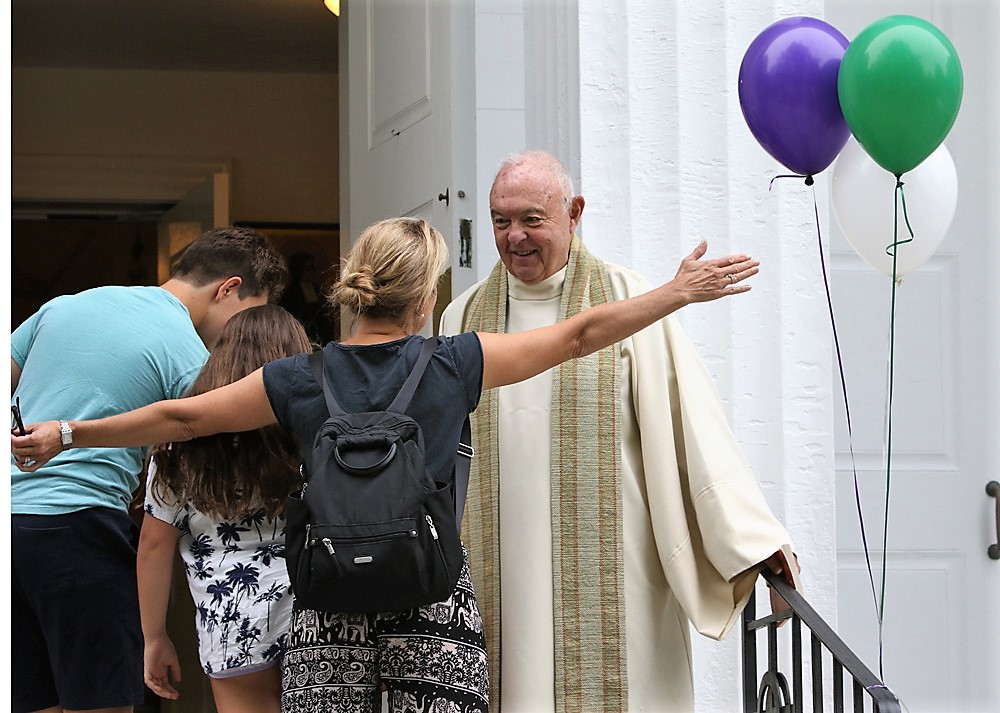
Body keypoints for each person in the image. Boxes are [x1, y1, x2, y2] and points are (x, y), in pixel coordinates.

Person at [13, 215, 756, 713]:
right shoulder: (453, 362)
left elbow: (181, 417)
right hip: (430, 602)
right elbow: (577, 335)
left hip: (328, 607)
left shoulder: (302, 375)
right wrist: (677, 292)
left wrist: (69, 432)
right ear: (427, 294)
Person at [439, 150, 798, 712]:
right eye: (500, 220)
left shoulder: (627, 298)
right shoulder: (460, 318)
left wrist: (752, 537)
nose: (515, 237)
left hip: (615, 572)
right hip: (496, 570)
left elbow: (691, 422)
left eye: (532, 219)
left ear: (574, 212)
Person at [10, 226, 287, 713]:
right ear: (228, 289)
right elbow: (219, 450)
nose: (240, 334)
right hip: (81, 532)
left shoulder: (65, 305)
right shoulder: (188, 355)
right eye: (248, 312)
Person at [138, 304, 311, 713]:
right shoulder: (313, 428)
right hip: (315, 608)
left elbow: (153, 545)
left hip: (232, 620)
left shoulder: (177, 449)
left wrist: (154, 637)